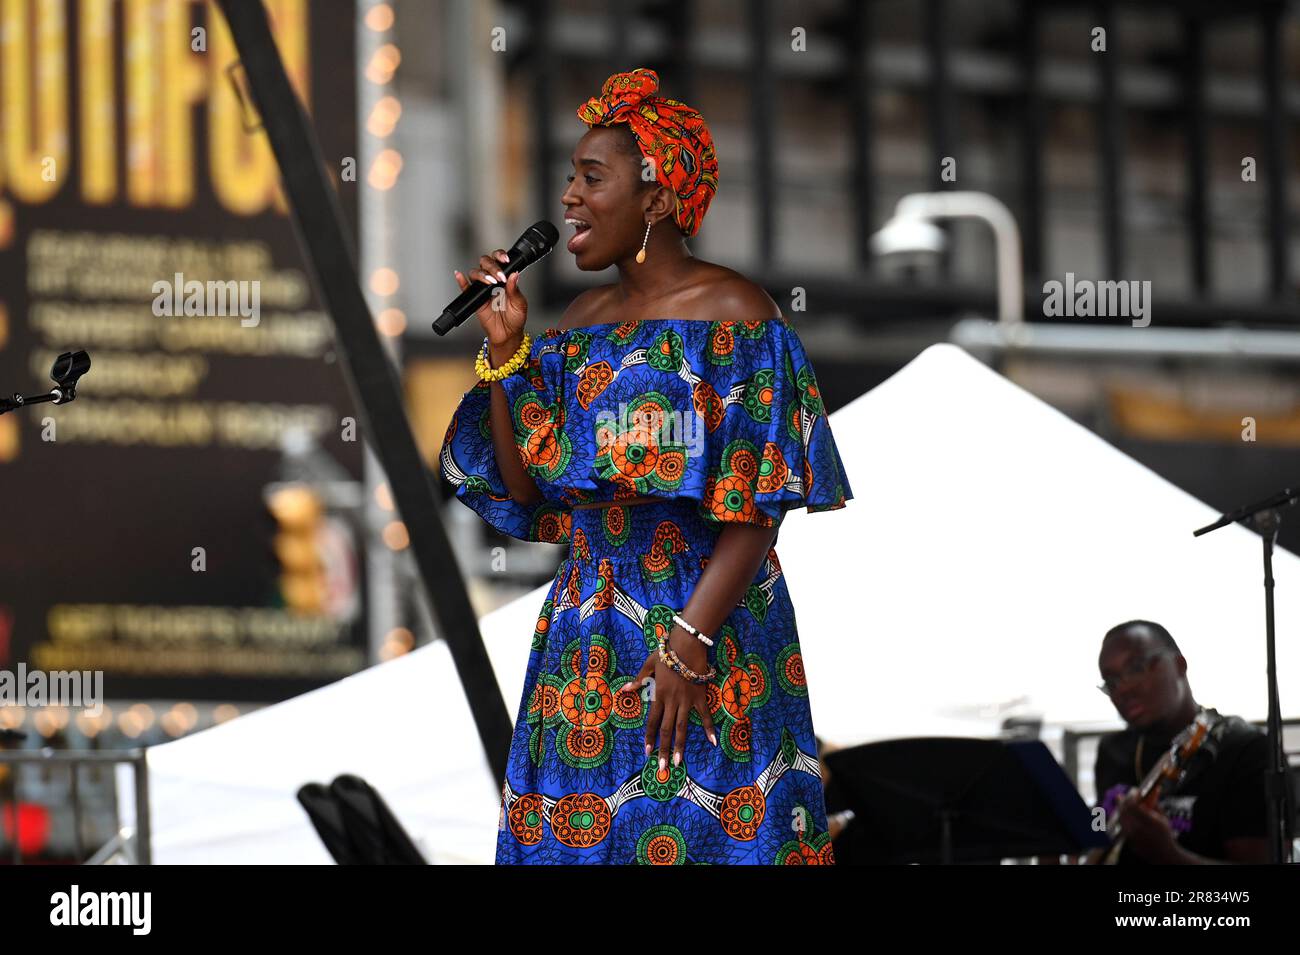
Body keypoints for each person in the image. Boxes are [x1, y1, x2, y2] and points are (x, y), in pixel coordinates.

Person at [440, 68, 852, 864]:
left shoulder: (738, 317)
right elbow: (529, 490)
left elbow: (756, 507)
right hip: (586, 637)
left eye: (592, 177)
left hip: (712, 625)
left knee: (717, 833)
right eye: (569, 176)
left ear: (656, 197)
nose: (567, 197)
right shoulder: (578, 324)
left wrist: (688, 641)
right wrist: (506, 351)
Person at [1092, 619, 1273, 864]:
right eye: (1111, 682)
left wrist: (1169, 854)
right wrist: (1082, 834)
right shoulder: (1111, 750)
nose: (1123, 689)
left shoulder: (1245, 750)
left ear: (1179, 665)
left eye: (1136, 668)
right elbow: (1099, 819)